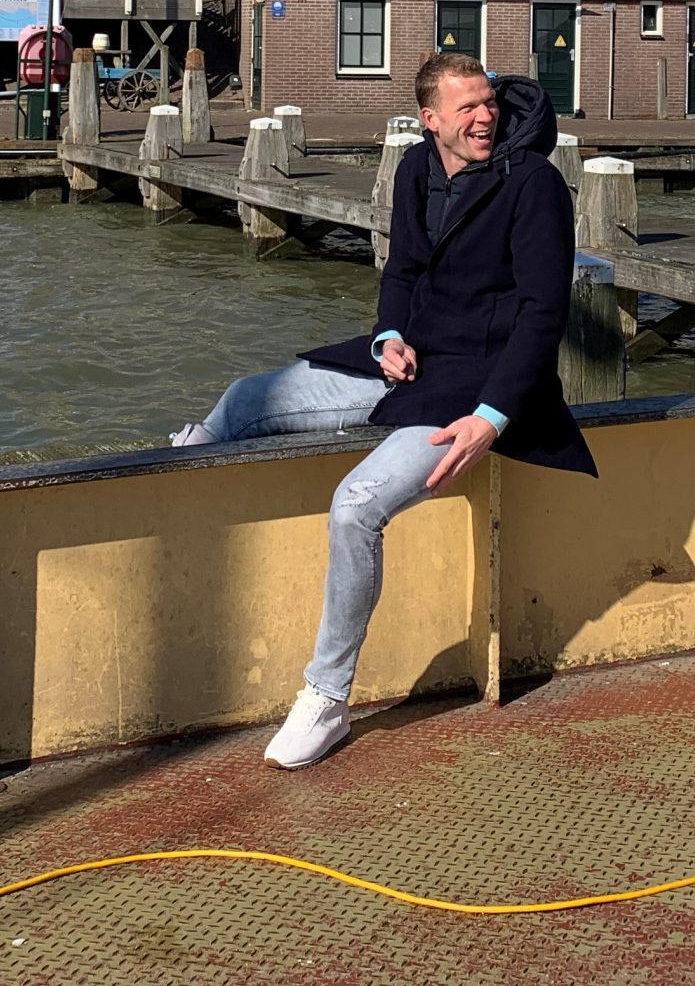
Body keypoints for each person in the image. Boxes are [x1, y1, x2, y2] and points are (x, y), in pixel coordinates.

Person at [171, 52, 596, 768]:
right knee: (244, 399)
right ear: (430, 120)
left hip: (476, 388)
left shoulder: (535, 185)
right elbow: (400, 272)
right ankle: (176, 517)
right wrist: (388, 336)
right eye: (466, 109)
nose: (484, 117)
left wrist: (492, 417)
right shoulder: (413, 171)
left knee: (356, 505)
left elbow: (542, 313)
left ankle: (326, 698)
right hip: (408, 365)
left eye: (487, 103)